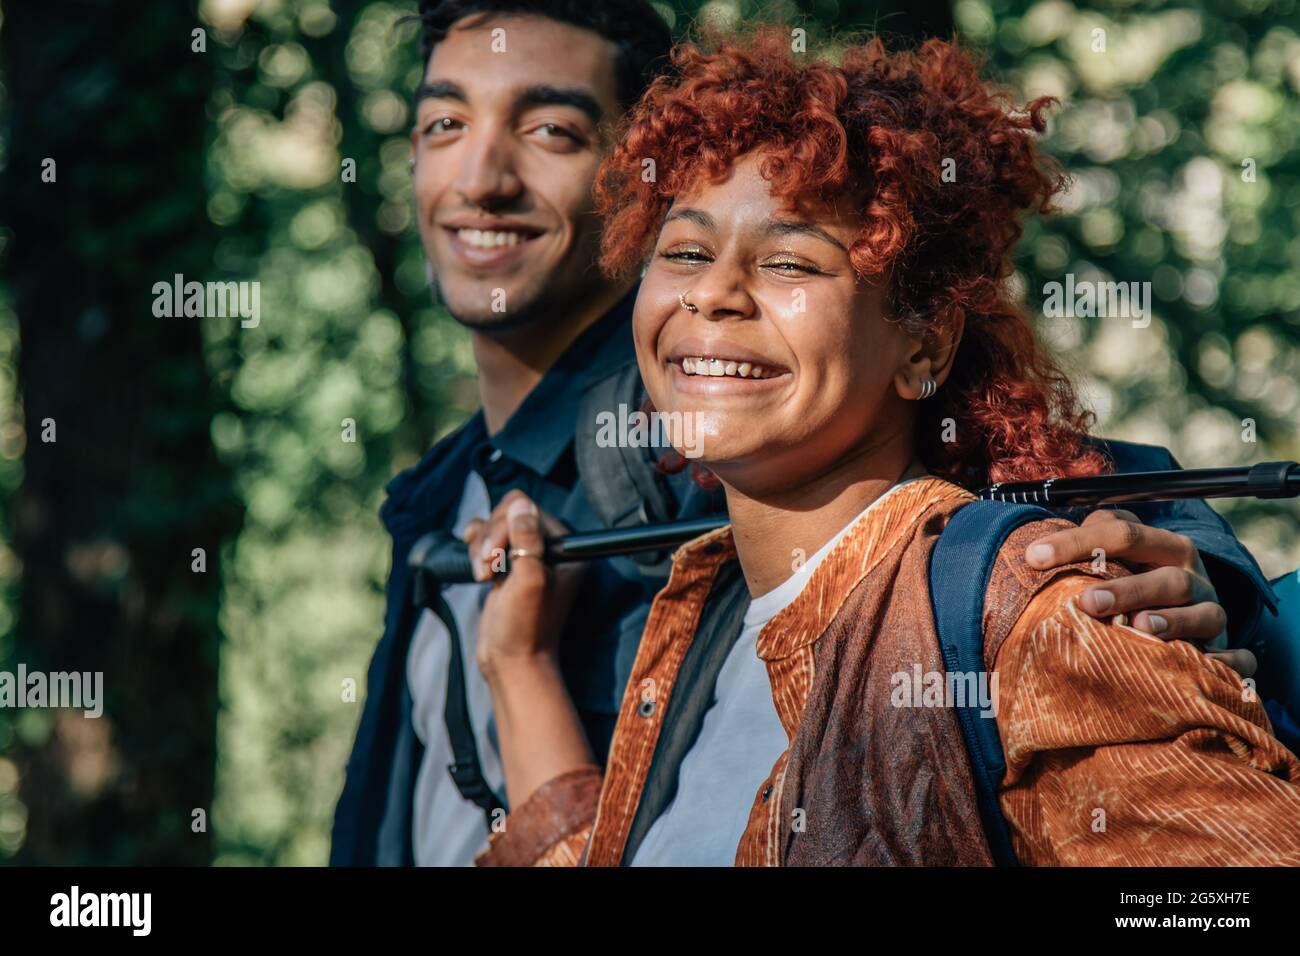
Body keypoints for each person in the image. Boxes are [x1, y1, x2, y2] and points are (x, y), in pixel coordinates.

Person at [331, 5, 1274, 867]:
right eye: (686, 253)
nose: (713, 294)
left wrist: (1204, 569)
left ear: (925, 344)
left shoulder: (1032, 617)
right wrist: (517, 666)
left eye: (789, 260)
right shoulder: (699, 624)